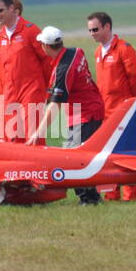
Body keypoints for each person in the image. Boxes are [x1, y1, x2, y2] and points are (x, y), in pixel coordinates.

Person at [25, 26, 105, 204]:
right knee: (79, 154)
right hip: (89, 108)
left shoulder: (63, 69)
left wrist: (39, 133)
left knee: (75, 158)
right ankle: (90, 196)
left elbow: (55, 105)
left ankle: (89, 199)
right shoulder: (76, 52)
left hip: (84, 114)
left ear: (46, 46)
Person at [88, 12, 136, 202]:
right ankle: (111, 194)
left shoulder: (124, 49)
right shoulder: (97, 53)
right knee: (106, 156)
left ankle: (130, 196)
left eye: (95, 29)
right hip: (106, 112)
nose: (92, 33)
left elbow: (135, 80)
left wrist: (129, 106)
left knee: (125, 154)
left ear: (107, 27)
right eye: (90, 30)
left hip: (122, 111)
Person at [0, 0, 52, 143]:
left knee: (32, 138)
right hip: (9, 95)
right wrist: (0, 99)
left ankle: (38, 167)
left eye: (0, 11)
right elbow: (0, 72)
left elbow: (48, 61)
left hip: (31, 92)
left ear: (12, 8)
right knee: (11, 139)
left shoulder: (31, 30)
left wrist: (47, 89)